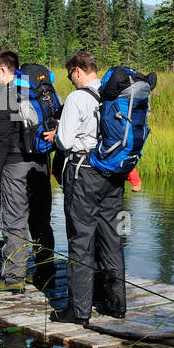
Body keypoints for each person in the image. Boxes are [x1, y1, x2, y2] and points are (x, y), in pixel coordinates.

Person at [52, 51, 127, 324]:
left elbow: (64, 141)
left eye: (70, 73)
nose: (70, 79)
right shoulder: (117, 95)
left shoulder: (77, 97)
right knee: (112, 238)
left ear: (78, 70)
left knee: (81, 241)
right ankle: (116, 305)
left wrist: (58, 131)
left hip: (83, 173)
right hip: (113, 174)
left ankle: (79, 311)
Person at [0, 50, 56, 294]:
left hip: (15, 167)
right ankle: (46, 273)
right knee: (41, 221)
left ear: (4, 70)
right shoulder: (38, 93)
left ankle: (14, 277)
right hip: (40, 165)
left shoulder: (5, 97)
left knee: (15, 222)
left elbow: (3, 140)